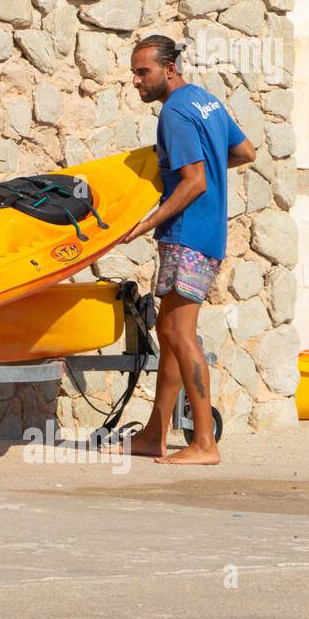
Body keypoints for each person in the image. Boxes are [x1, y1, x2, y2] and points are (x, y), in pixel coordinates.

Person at [114, 34, 256, 464]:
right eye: (134, 73)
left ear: (169, 70)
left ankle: (203, 444)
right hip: (207, 234)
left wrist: (144, 225)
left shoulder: (174, 112)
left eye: (144, 72)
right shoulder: (203, 99)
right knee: (170, 332)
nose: (137, 81)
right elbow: (244, 151)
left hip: (186, 234)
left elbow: (194, 181)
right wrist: (208, 166)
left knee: (179, 334)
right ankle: (155, 434)